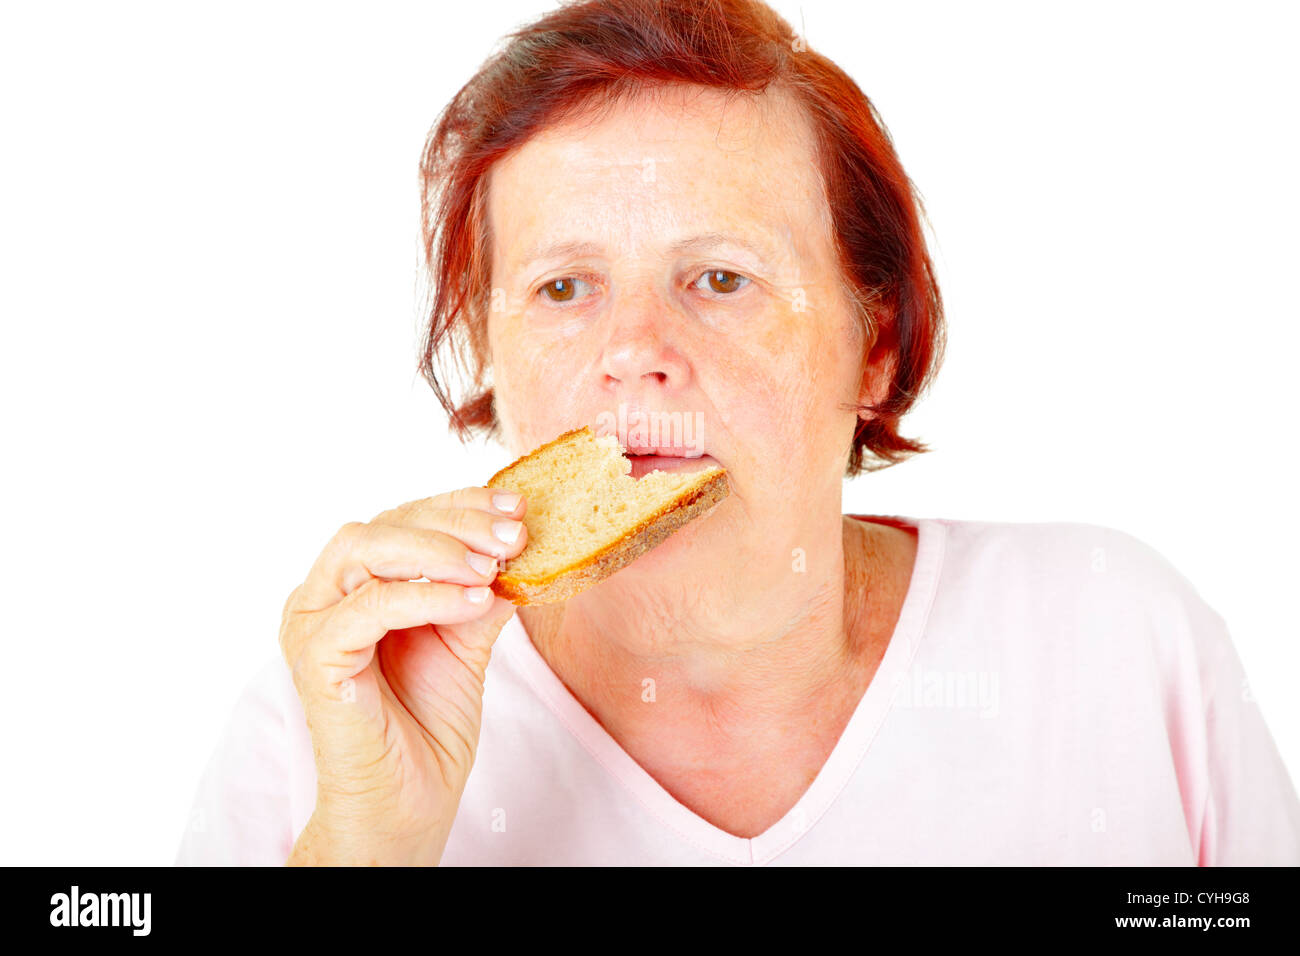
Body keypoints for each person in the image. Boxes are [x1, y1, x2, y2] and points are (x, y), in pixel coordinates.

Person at [176, 0, 1300, 865]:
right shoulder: (335, 715)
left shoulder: (1113, 638)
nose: (633, 346)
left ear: (873, 343)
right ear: (490, 351)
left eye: (719, 277)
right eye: (564, 288)